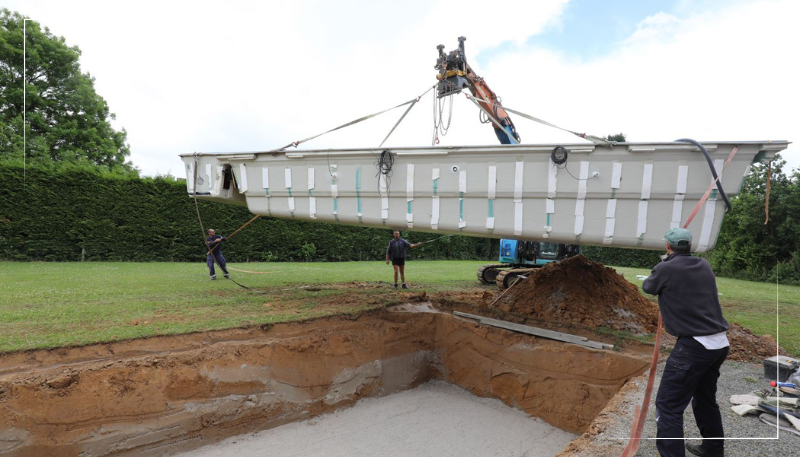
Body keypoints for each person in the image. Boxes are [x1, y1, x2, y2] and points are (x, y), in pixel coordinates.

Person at [642, 228, 730, 457]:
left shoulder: (665, 268)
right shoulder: (704, 265)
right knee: (704, 397)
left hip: (694, 346)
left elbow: (648, 287)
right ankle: (712, 449)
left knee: (668, 406)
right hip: (719, 343)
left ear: (667, 247)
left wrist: (664, 263)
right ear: (690, 246)